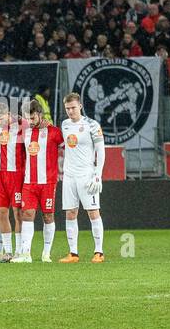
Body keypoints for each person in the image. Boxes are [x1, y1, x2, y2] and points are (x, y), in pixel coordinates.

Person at [58, 92, 106, 262]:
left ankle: (99, 252)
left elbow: (100, 151)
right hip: (69, 175)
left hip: (86, 174)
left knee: (93, 212)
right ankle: (73, 253)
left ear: (80, 106)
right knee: (70, 213)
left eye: (73, 107)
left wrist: (98, 175)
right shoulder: (64, 125)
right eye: (67, 109)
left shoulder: (92, 125)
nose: (70, 111)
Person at [14, 102, 63, 263]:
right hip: (29, 182)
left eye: (33, 117)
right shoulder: (25, 132)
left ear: (40, 114)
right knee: (27, 214)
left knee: (48, 216)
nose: (31, 120)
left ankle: (46, 254)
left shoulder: (54, 132)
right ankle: (26, 254)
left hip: (48, 182)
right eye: (28, 117)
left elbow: (68, 150)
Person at [0, 102, 25, 263]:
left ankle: (19, 251)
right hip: (0, 175)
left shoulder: (20, 126)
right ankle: (8, 251)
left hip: (16, 175)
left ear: (8, 114)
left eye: (1, 117)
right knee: (2, 212)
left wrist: (18, 118)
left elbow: (35, 123)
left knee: (18, 213)